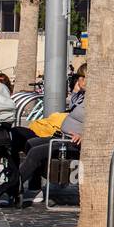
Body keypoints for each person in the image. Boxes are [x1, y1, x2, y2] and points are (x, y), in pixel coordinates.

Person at [21, 68, 87, 204]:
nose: (79, 81)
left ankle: (12, 186)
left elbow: (99, 123)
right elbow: (75, 105)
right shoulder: (84, 95)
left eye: (81, 77)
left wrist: (84, 136)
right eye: (79, 78)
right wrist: (76, 90)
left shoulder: (96, 99)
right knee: (31, 143)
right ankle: (35, 188)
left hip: (73, 143)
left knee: (36, 152)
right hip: (63, 138)